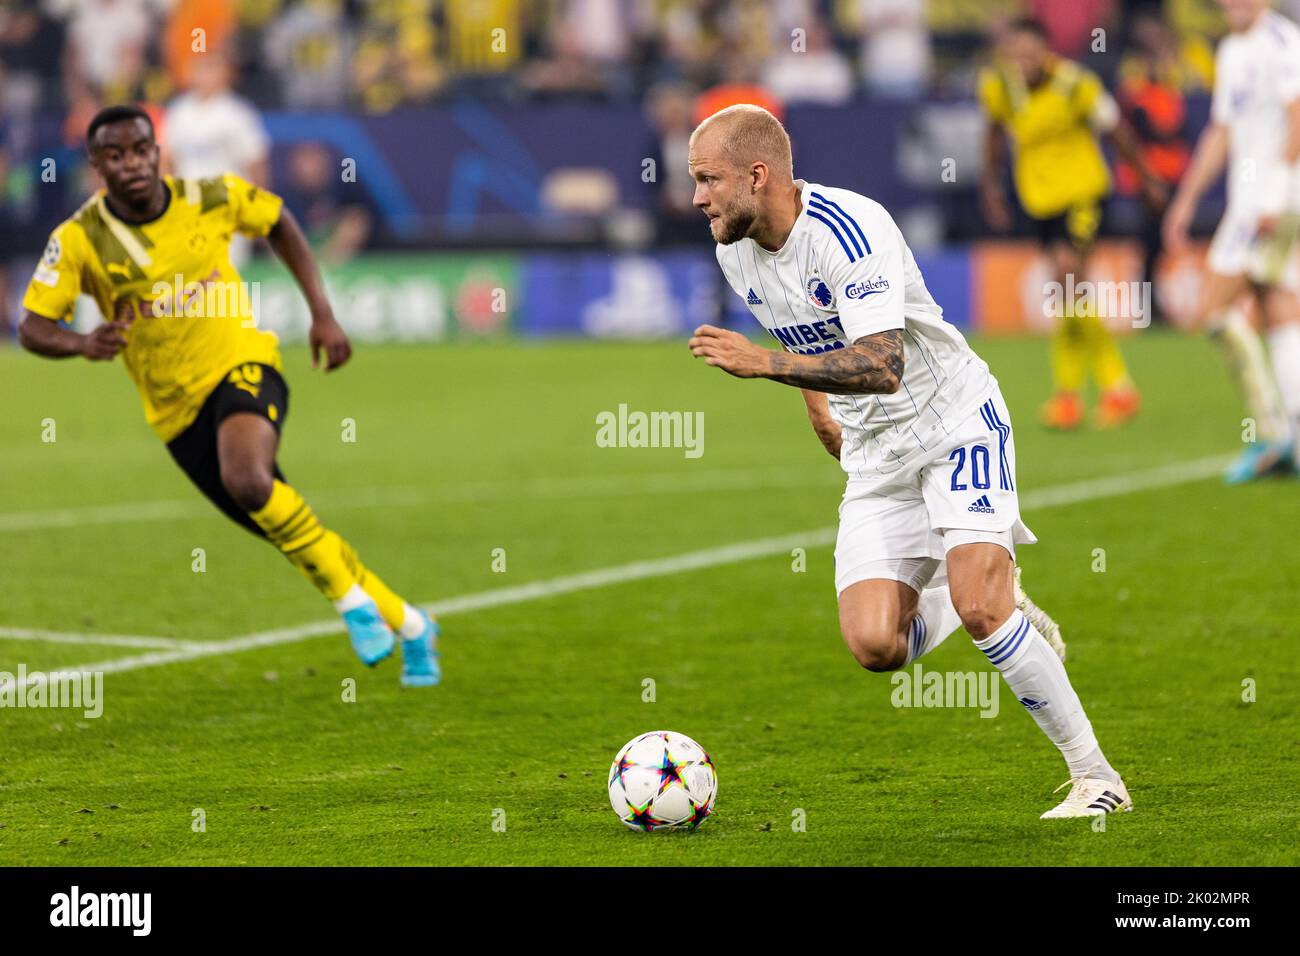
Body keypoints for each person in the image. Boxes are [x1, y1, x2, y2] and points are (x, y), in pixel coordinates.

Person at [687, 104, 1129, 818]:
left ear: (757, 175)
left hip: (956, 424)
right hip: (876, 455)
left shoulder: (851, 230)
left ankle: (1096, 777)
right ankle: (981, 596)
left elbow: (884, 364)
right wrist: (817, 408)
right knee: (875, 646)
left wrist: (765, 365)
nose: (698, 197)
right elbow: (803, 331)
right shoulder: (734, 251)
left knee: (982, 608)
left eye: (708, 179)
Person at [16, 105, 440, 687]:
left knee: (247, 480)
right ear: (96, 166)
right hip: (173, 411)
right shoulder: (79, 240)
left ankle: (348, 603)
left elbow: (280, 223)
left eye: (141, 150)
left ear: (157, 151)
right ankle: (411, 623)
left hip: (243, 364)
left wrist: (322, 312)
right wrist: (83, 343)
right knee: (283, 524)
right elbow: (32, 327)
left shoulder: (210, 196)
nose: (132, 164)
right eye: (115, 156)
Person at [980, 17, 1165, 430]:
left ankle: (1098, 389)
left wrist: (1147, 178)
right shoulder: (1001, 87)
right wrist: (991, 185)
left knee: (1069, 279)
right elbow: (993, 132)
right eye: (1017, 53)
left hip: (1082, 194)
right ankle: (1090, 393)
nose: (1024, 61)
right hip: (1038, 200)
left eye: (1031, 52)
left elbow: (1115, 129)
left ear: (1046, 51)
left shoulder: (1075, 84)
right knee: (1068, 294)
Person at [1163, 0, 1300, 483]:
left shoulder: (1283, 42)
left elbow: (1299, 115)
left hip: (1273, 204)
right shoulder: (1230, 51)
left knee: (1214, 311)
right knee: (1279, 308)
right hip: (1257, 203)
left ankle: (1275, 434)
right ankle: (1292, 442)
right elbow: (1221, 132)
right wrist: (1186, 200)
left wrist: (1277, 195)